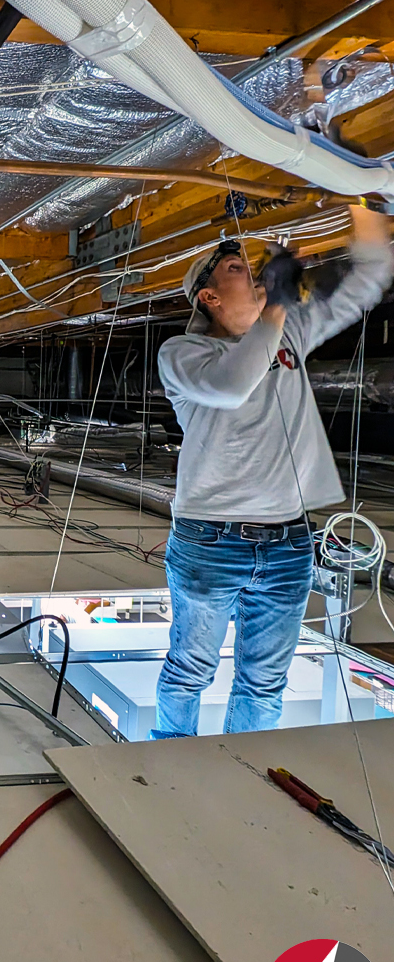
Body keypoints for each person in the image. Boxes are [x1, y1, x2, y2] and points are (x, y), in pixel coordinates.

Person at [153, 204, 392, 738]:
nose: (257, 277)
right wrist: (279, 307)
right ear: (208, 298)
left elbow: (369, 280)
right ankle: (166, 766)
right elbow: (234, 383)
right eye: (238, 271)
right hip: (211, 541)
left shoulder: (285, 335)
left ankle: (248, 775)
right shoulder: (185, 352)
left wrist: (365, 203)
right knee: (191, 670)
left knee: (263, 682)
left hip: (287, 542)